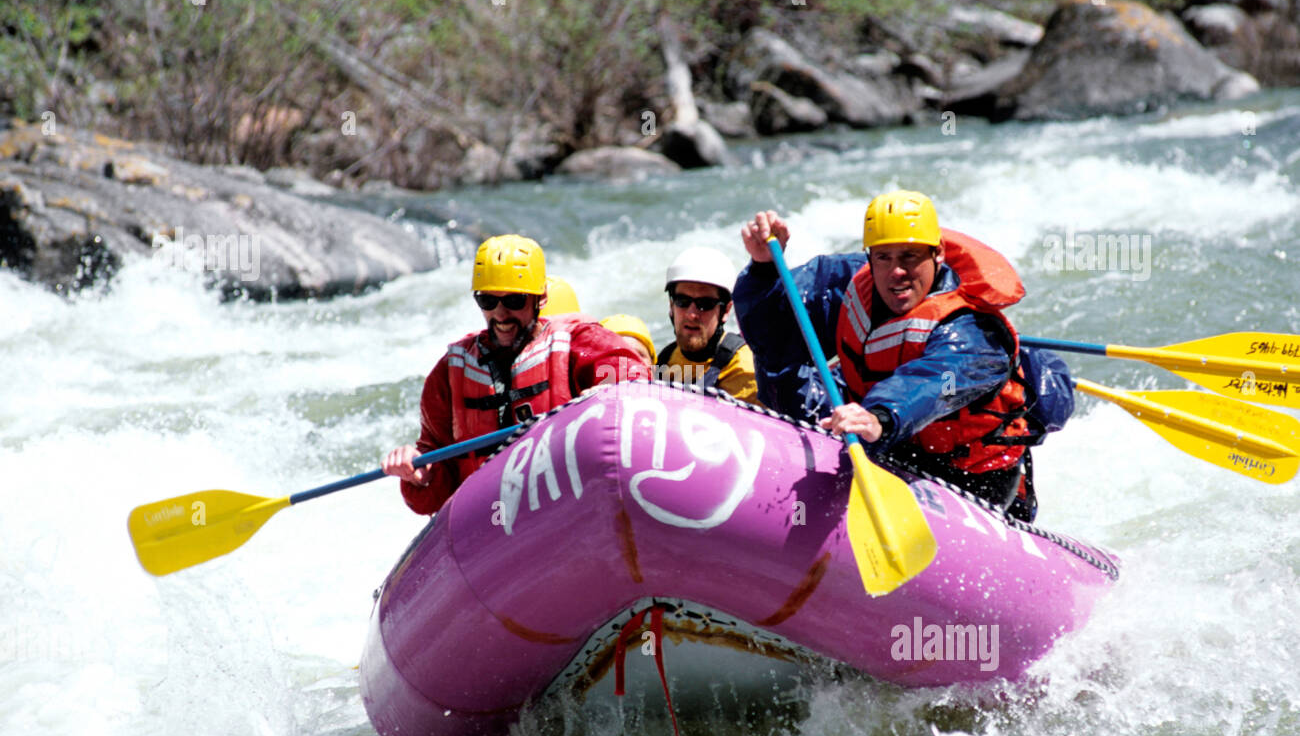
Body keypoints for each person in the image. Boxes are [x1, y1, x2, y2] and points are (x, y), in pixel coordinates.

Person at [737, 191, 1073, 521]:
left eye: (910, 257)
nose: (896, 272)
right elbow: (774, 336)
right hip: (884, 441)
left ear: (937, 253)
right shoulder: (849, 283)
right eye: (884, 257)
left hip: (971, 476)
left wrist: (880, 417)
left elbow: (933, 384)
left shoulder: (972, 332)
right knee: (788, 381)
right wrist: (764, 269)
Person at [383, 234, 653, 515]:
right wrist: (420, 474)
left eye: (514, 300)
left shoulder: (579, 342)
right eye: (487, 300)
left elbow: (636, 384)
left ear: (541, 298)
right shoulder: (450, 373)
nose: (500, 315)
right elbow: (434, 490)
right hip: (492, 519)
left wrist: (612, 396)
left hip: (570, 508)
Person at [655, 246, 759, 403]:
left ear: (726, 311)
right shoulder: (665, 359)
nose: (691, 314)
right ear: (671, 306)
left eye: (705, 304)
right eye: (682, 301)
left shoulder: (746, 369)